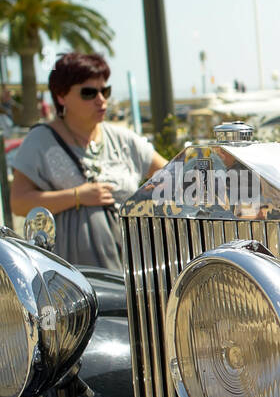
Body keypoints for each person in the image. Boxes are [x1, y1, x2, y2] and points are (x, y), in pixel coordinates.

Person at [9, 53, 167, 271]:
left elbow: (174, 177)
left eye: (105, 91)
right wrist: (77, 196)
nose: (101, 99)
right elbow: (18, 203)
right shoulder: (39, 141)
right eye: (89, 92)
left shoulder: (124, 139)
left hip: (134, 274)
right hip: (73, 282)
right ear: (61, 96)